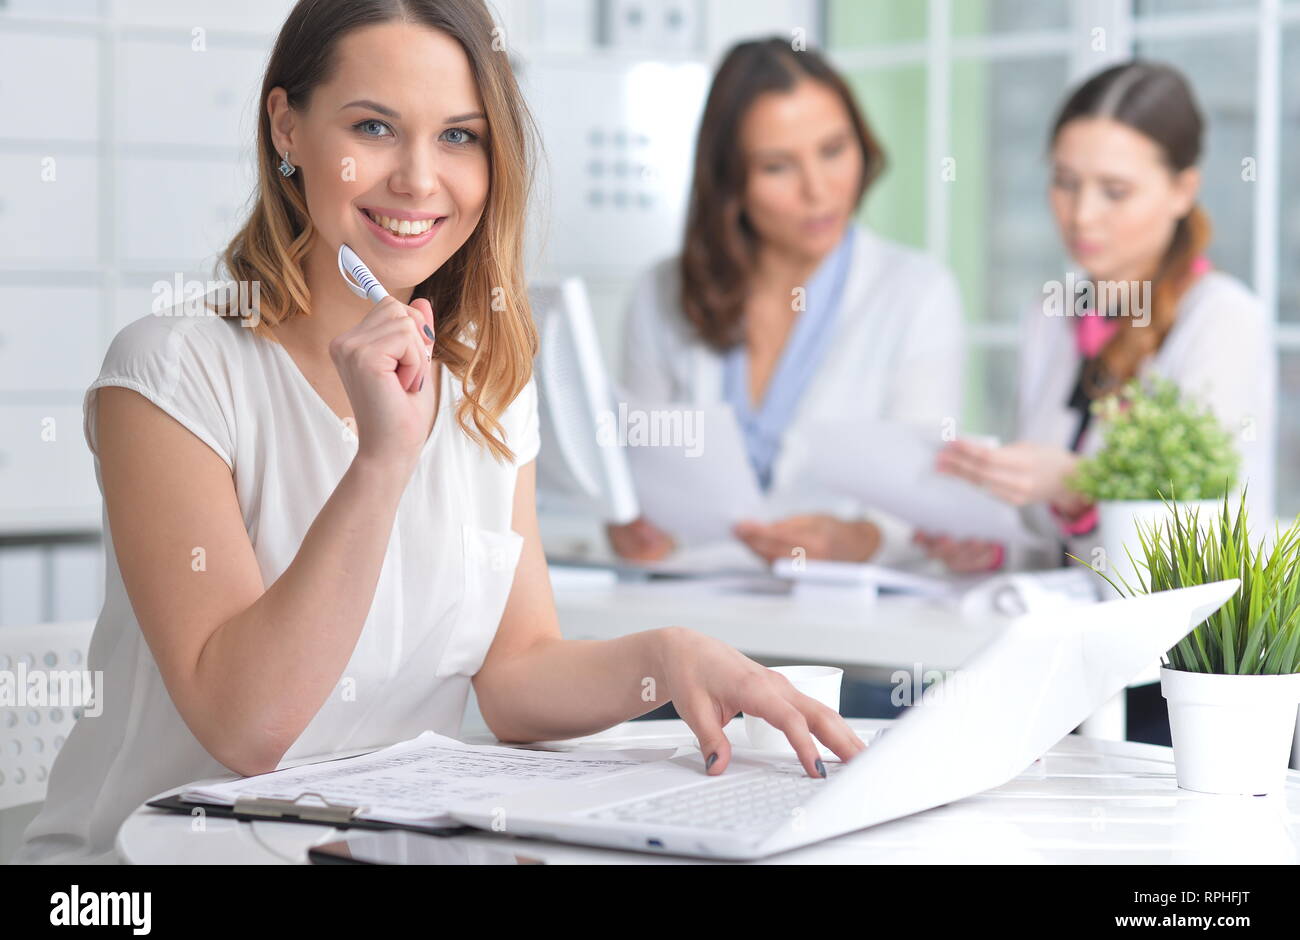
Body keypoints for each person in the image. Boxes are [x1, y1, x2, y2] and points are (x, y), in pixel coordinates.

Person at [16, 0, 864, 865]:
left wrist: (672, 656)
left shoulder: (489, 383)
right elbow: (249, 727)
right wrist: (382, 461)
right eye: (375, 127)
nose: (420, 180)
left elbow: (517, 674)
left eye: (460, 136)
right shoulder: (170, 373)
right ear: (288, 129)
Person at [916, 61, 1275, 744]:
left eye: (1114, 190)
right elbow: (1049, 543)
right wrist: (992, 544)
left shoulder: (1220, 318)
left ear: (1182, 190)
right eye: (1065, 182)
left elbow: (1189, 555)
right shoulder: (1049, 317)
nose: (1081, 215)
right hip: (1061, 675)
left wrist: (1079, 485)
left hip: (1181, 690)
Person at [608, 37, 965, 570]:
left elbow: (923, 500)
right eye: (778, 167)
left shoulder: (916, 292)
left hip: (846, 626)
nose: (819, 191)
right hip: (692, 610)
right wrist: (629, 523)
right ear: (732, 180)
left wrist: (860, 541)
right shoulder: (662, 292)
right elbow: (635, 474)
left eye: (833, 150)